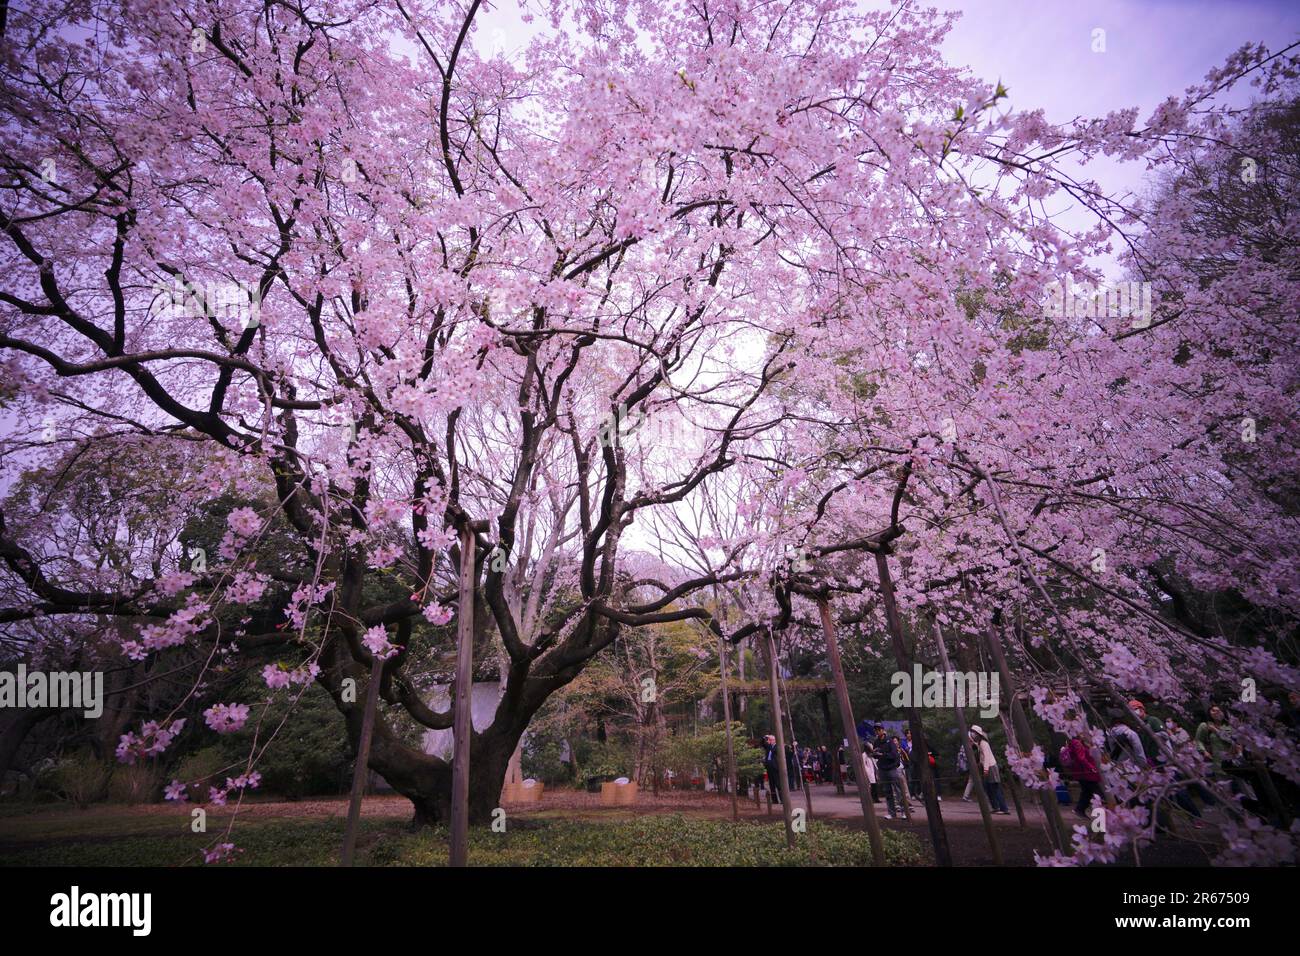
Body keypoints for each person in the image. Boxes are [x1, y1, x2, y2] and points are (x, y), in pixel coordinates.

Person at [969, 725, 1010, 814]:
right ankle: (996, 807)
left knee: (995, 788)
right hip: (986, 767)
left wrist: (986, 769)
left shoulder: (984, 743)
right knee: (988, 788)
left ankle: (1003, 808)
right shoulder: (979, 743)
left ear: (978, 734)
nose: (972, 734)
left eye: (974, 732)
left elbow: (987, 757)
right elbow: (981, 755)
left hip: (991, 767)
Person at [1062, 730, 1103, 818]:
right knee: (1096, 793)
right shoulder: (1076, 743)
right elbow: (1081, 758)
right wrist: (1091, 768)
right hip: (1086, 772)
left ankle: (1079, 809)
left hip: (1083, 772)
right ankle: (1099, 818)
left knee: (1087, 792)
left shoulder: (1079, 743)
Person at [873, 725, 907, 819]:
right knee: (887, 792)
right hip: (882, 769)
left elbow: (894, 755)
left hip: (892, 769)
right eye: (876, 730)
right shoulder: (876, 742)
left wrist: (883, 754)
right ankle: (891, 813)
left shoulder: (890, 741)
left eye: (879, 730)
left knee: (899, 791)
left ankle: (904, 812)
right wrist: (875, 753)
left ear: (883, 730)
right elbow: (876, 755)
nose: (877, 731)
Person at [762, 734, 782, 804]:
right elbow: (762, 744)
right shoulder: (768, 747)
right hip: (769, 768)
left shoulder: (777, 746)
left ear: (774, 740)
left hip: (775, 768)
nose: (769, 741)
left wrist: (769, 743)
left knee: (778, 784)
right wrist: (764, 737)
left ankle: (782, 799)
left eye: (770, 740)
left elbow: (774, 751)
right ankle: (774, 800)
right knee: (771, 785)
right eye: (769, 740)